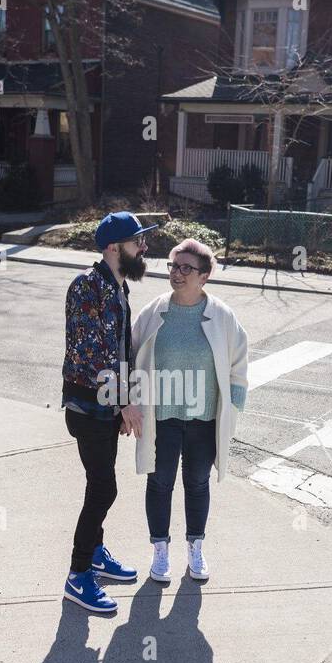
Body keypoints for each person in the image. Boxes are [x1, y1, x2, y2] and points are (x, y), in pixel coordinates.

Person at [130, 238, 248, 583]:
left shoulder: (222, 316)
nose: (178, 274)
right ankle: (160, 550)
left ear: (205, 276)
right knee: (159, 482)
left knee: (197, 483)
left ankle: (196, 547)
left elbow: (238, 363)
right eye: (173, 266)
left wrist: (233, 409)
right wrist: (133, 403)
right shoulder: (153, 313)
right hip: (161, 416)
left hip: (203, 417)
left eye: (186, 268)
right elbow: (133, 356)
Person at [60, 211, 159, 613]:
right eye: (137, 241)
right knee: (104, 489)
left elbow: (123, 351)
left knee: (100, 484)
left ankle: (96, 553)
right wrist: (124, 401)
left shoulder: (116, 287)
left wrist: (123, 401)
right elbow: (92, 355)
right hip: (86, 407)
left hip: (104, 408)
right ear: (114, 248)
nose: (144, 248)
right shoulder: (87, 286)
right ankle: (78, 574)